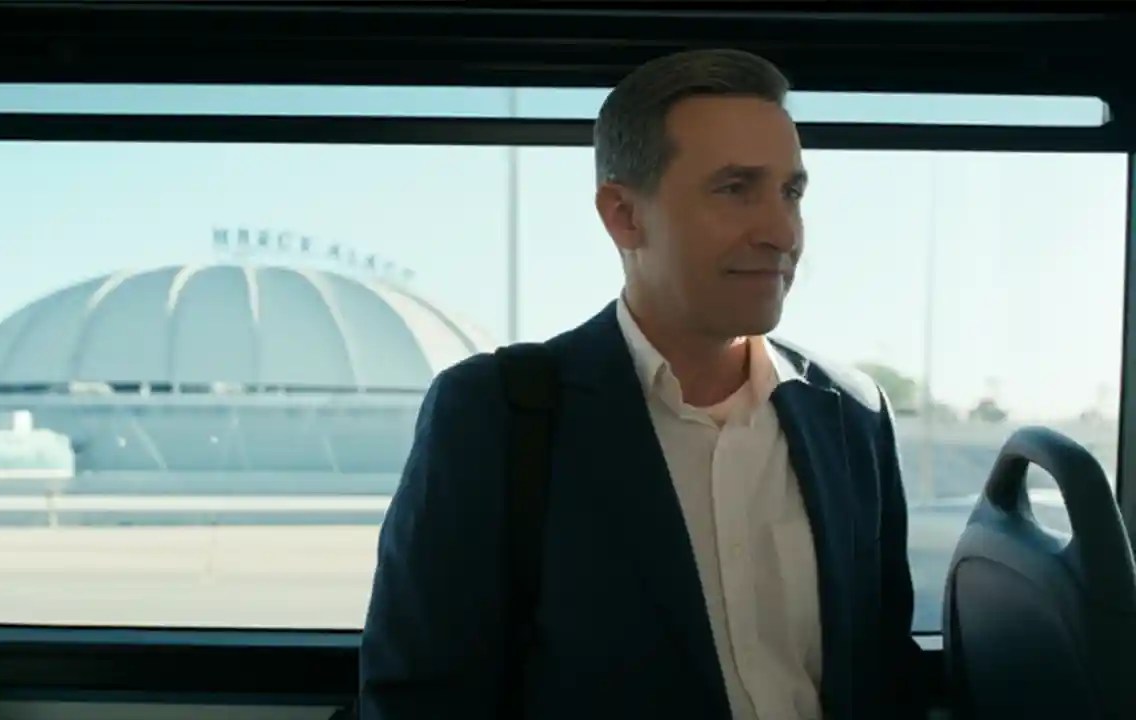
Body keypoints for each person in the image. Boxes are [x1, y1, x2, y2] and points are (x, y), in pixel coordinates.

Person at [359, 48, 923, 719]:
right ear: (624, 215)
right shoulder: (499, 414)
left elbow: (884, 669)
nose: (780, 231)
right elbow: (422, 697)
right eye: (735, 188)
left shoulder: (851, 414)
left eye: (790, 192)